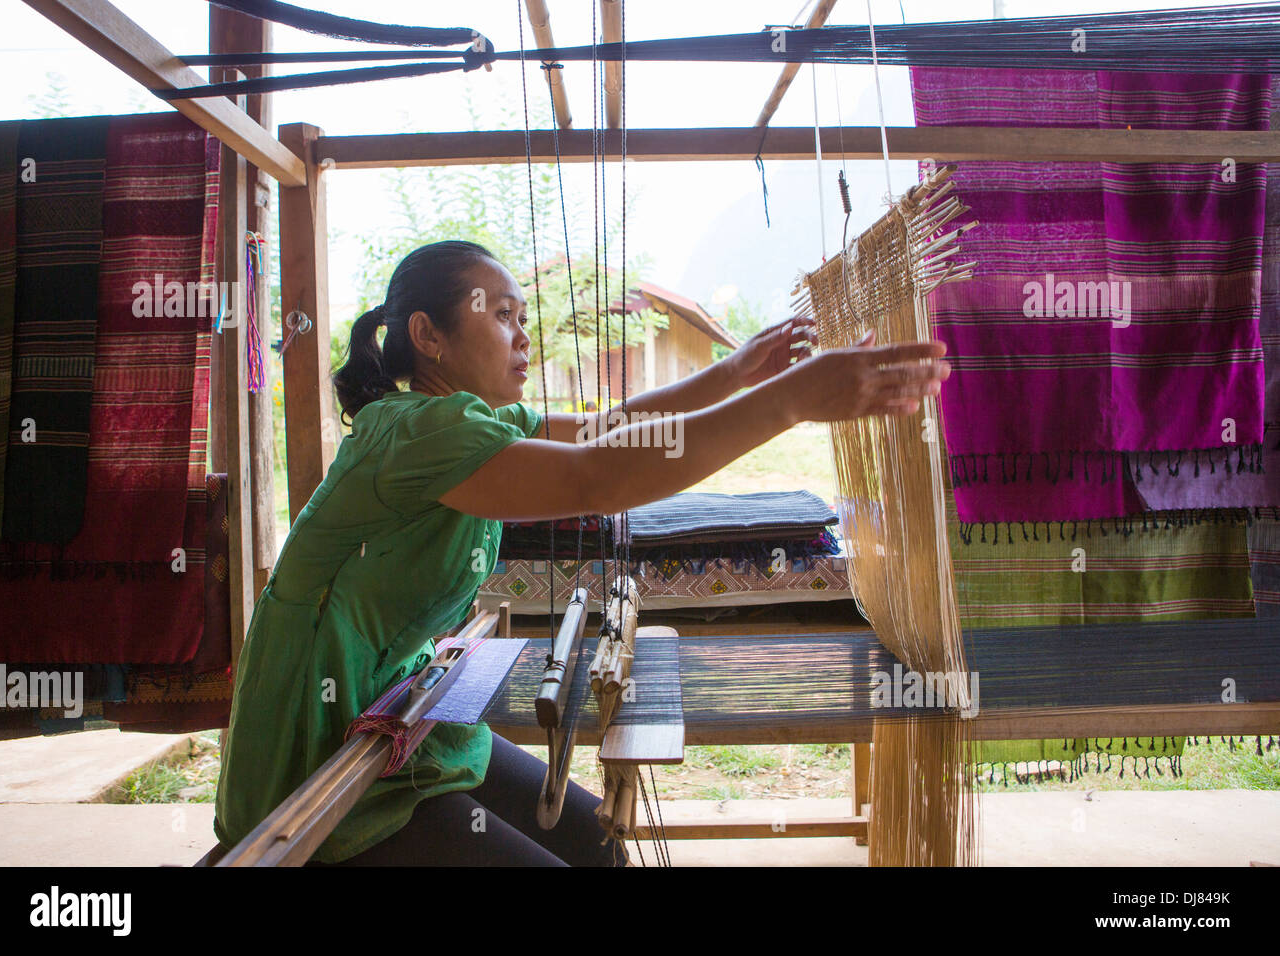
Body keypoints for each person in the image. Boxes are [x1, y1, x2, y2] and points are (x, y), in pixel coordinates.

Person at [213, 239, 949, 866]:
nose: (524, 336)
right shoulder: (421, 431)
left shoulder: (476, 418)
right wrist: (789, 401)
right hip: (318, 745)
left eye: (522, 317)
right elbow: (600, 476)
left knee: (598, 849)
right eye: (500, 316)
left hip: (396, 708)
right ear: (428, 337)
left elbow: (605, 431)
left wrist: (735, 376)